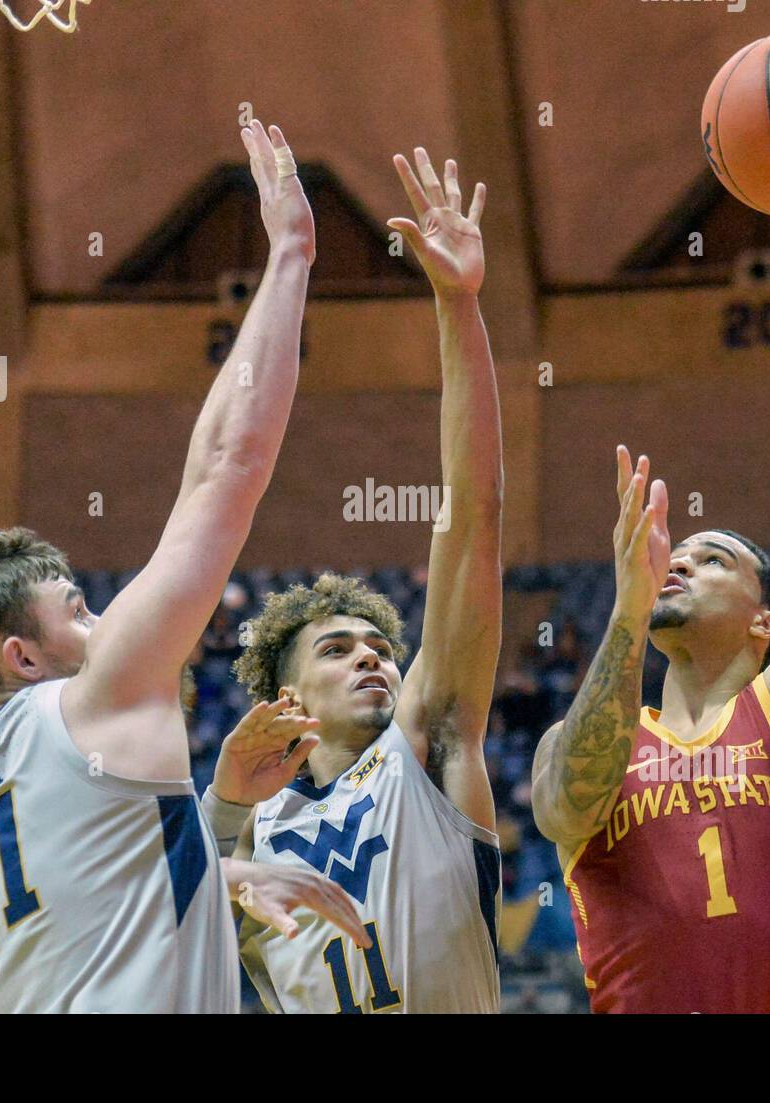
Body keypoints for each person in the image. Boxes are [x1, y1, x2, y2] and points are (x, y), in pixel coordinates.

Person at [0, 121, 366, 1014]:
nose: (102, 622)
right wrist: (290, 257)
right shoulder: (90, 703)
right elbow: (226, 469)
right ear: (22, 657)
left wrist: (227, 870)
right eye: (76, 609)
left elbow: (97, 901)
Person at [530, 108, 770, 1012]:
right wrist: (625, 606)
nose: (679, 563)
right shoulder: (593, 748)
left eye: (713, 557)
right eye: (673, 556)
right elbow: (565, 811)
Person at [213, 148, 504, 1013]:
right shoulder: (251, 837)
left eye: (380, 645)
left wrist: (459, 307)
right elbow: (155, 944)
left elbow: (475, 515)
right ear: (285, 693)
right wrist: (225, 821)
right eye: (337, 650)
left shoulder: (430, 745)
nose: (373, 658)